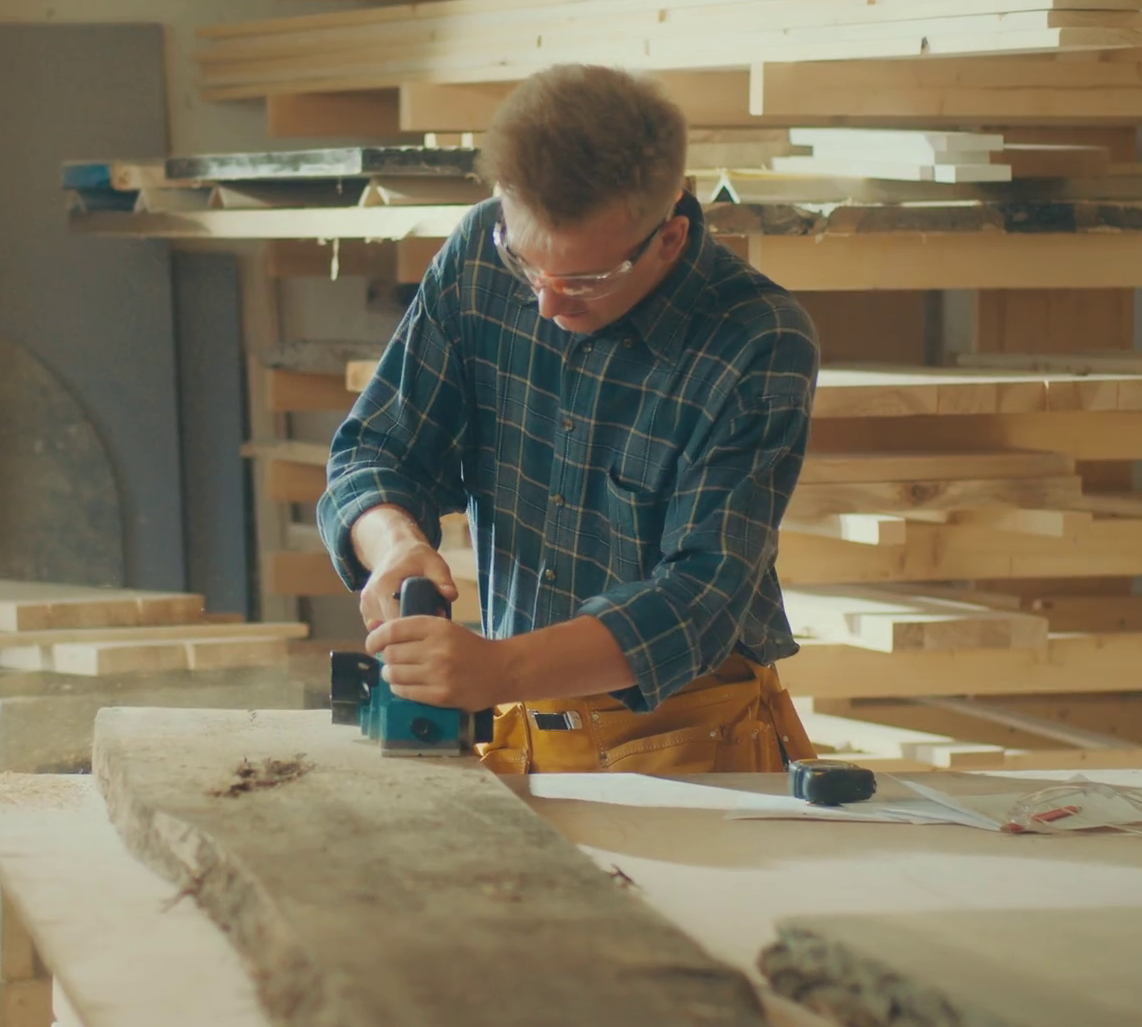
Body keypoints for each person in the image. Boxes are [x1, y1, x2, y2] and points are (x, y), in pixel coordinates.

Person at [316, 63, 821, 775]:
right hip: (520, 724)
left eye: (584, 281)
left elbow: (699, 600)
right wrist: (394, 543)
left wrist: (497, 670)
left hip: (687, 739)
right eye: (528, 269)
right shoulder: (478, 256)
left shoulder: (756, 341)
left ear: (668, 239)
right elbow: (375, 450)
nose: (548, 307)